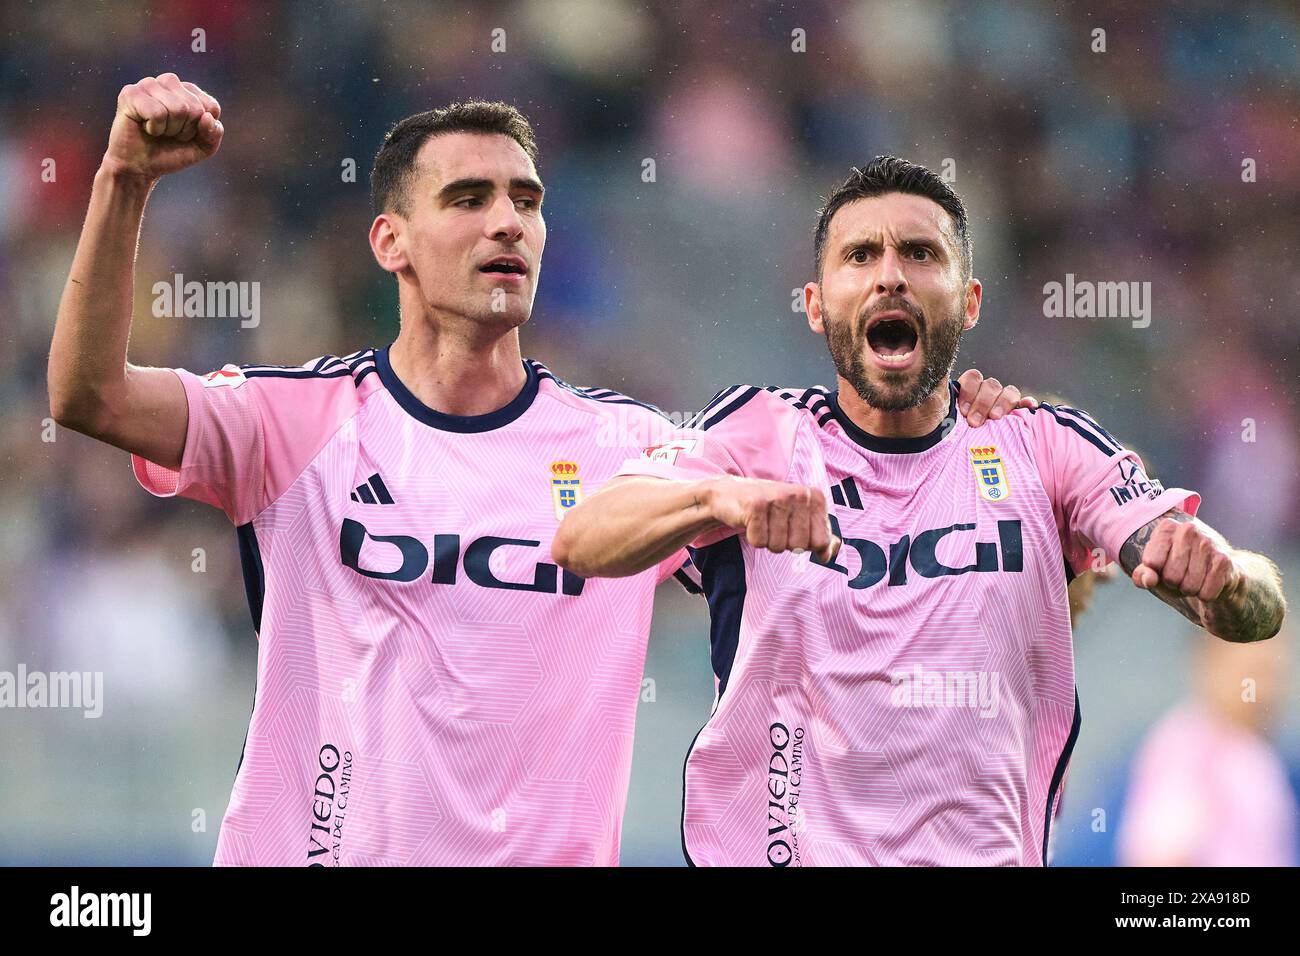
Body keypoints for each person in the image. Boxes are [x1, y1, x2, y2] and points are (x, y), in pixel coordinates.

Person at [45, 75, 1034, 865]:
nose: (507, 221)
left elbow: (856, 535)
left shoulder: (630, 450)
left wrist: (973, 439)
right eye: (468, 198)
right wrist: (124, 182)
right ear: (390, 240)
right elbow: (87, 394)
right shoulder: (293, 420)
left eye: (526, 199)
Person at [552, 156, 1287, 867]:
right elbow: (582, 538)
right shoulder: (758, 434)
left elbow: (1249, 601)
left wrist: (1223, 579)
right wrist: (719, 498)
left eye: (921, 253)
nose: (891, 274)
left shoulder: (1041, 445)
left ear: (969, 301)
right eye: (861, 255)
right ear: (816, 304)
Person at [1117, 632, 1297, 867]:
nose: (1265, 691)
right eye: (1254, 672)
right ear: (1212, 666)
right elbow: (1158, 859)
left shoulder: (1253, 753)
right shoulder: (1189, 752)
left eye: (1274, 674)